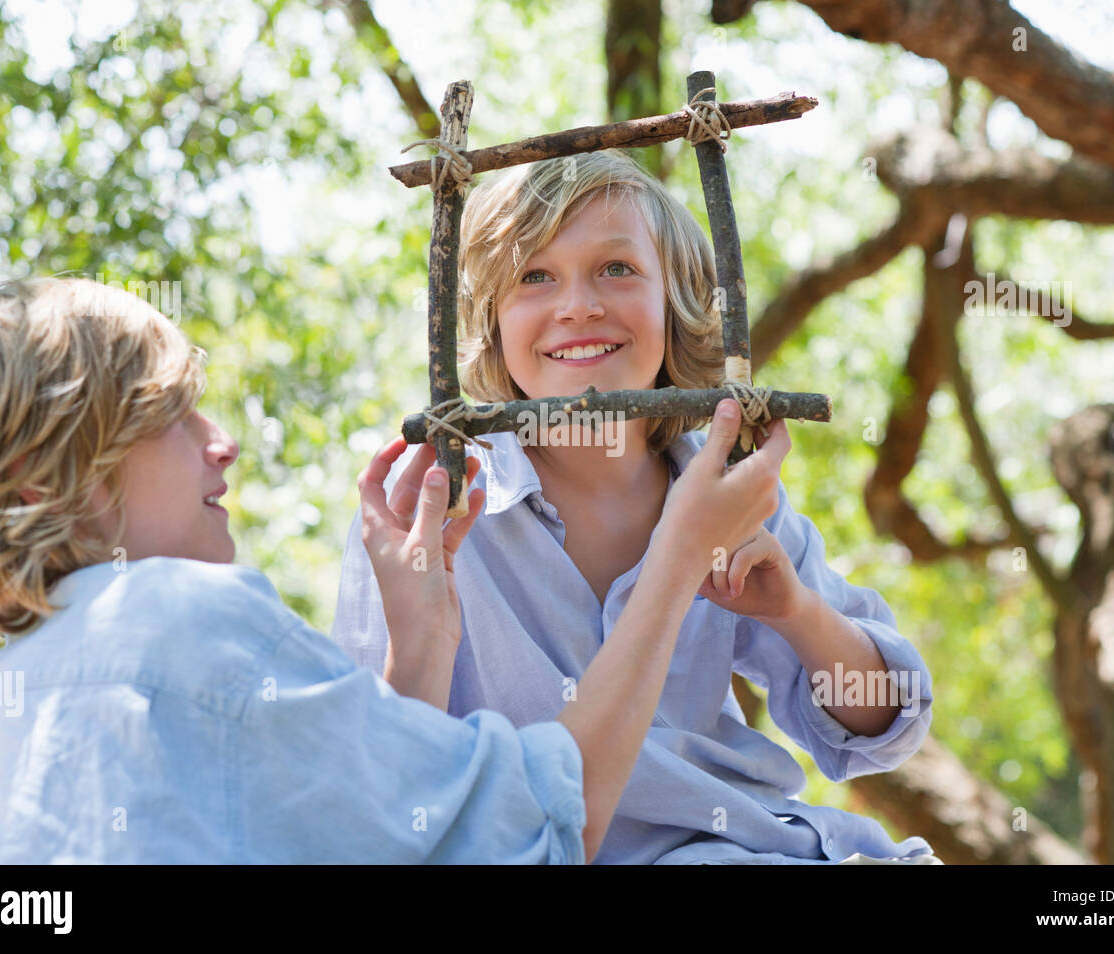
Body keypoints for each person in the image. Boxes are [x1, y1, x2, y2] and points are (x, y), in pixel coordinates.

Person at [0, 278, 789, 863]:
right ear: (48, 483)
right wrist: (680, 554)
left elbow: (380, 840)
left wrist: (419, 642)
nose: (221, 442)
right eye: (174, 418)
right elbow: (534, 830)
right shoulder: (172, 617)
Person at [333, 149, 943, 864]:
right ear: (492, 323)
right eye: (534, 276)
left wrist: (798, 614)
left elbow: (885, 725)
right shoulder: (432, 504)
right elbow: (382, 790)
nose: (579, 305)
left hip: (752, 843)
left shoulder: (726, 492)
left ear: (675, 300)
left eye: (617, 269)